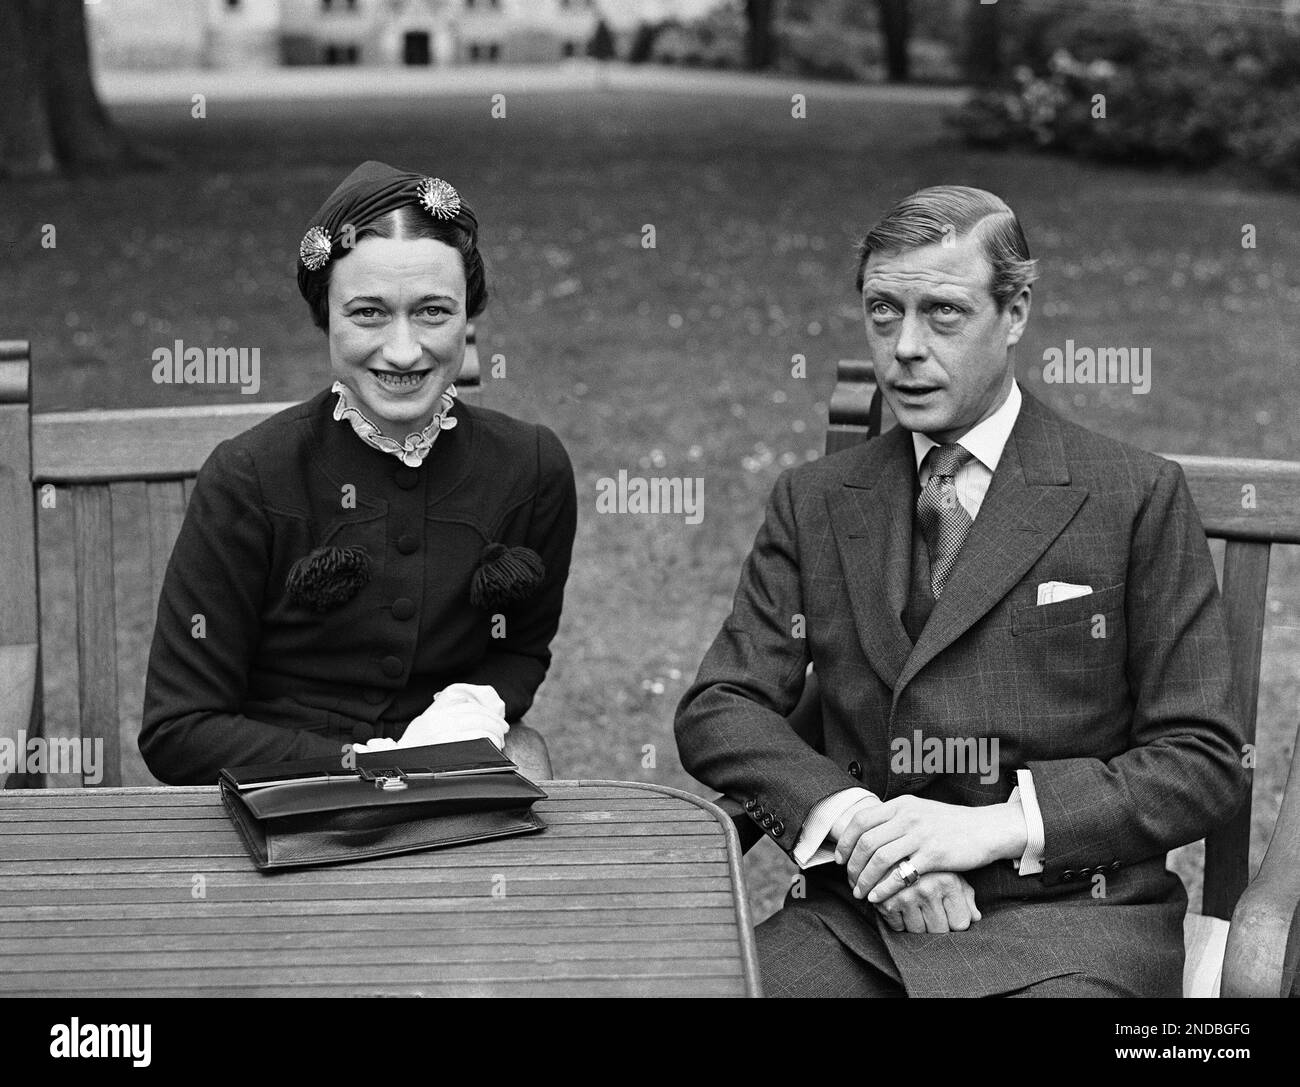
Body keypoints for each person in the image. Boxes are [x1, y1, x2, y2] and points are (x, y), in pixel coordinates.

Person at [674, 185, 1247, 998]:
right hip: (863, 919)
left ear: (1014, 312)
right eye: (883, 311)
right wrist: (860, 830)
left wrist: (989, 827)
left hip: (1071, 926)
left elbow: (1203, 760)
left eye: (942, 313)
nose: (905, 346)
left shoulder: (1131, 495)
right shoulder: (818, 499)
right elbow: (720, 704)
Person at [140, 161, 577, 785]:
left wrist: (462, 716)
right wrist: (362, 770)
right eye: (369, 313)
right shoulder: (249, 477)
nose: (403, 350)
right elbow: (178, 730)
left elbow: (519, 649)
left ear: (468, 319)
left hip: (447, 781)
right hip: (278, 795)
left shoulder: (532, 468)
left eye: (432, 312)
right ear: (326, 319)